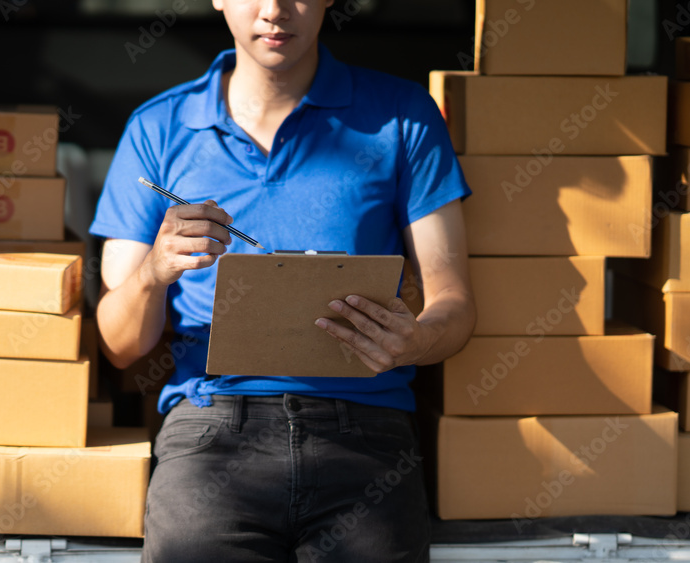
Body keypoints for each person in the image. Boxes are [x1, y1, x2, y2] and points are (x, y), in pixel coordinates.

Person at [90, 0, 475, 560]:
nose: (274, 11)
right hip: (211, 425)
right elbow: (120, 346)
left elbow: (455, 301)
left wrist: (415, 341)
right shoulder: (157, 126)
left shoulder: (402, 114)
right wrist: (155, 270)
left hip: (366, 425)